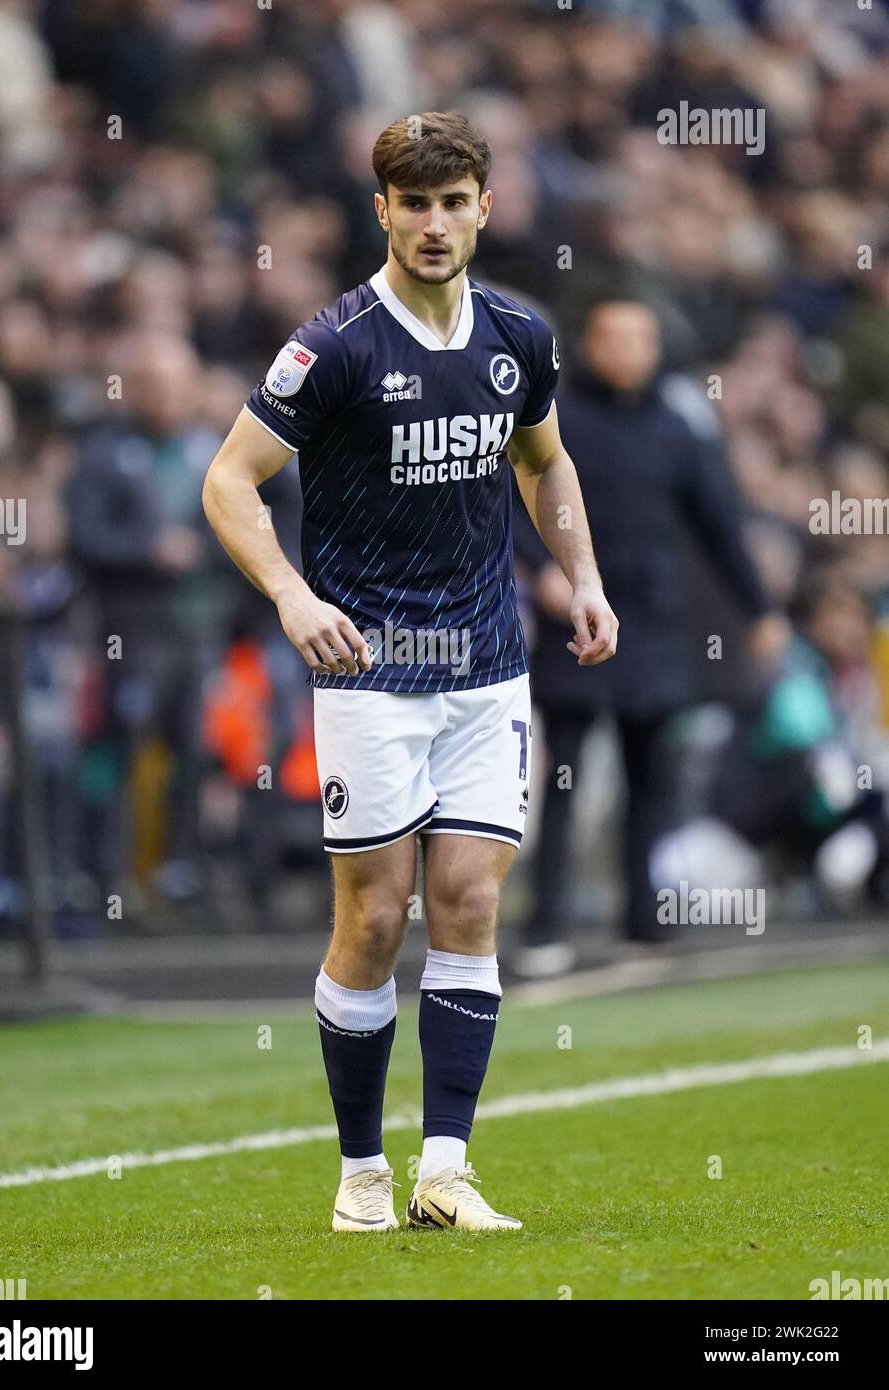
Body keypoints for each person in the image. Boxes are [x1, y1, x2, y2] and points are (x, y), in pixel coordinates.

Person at [202, 111, 617, 1233]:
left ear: (484, 207)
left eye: (453, 202)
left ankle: (444, 1170)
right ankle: (357, 1175)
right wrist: (293, 595)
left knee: (472, 899)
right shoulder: (332, 347)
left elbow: (544, 459)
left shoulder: (520, 337)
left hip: (484, 663)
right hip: (371, 673)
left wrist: (578, 573)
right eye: (412, 203)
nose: (433, 225)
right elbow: (228, 482)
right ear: (380, 209)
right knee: (375, 920)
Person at [513, 300, 788, 973]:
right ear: (591, 344)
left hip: (654, 625)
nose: (627, 350)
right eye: (613, 338)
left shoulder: (675, 429)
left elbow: (720, 522)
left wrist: (760, 610)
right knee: (566, 778)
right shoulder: (555, 418)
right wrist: (540, 569)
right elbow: (508, 498)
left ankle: (643, 921)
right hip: (573, 622)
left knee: (650, 779)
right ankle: (545, 924)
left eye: (640, 338)